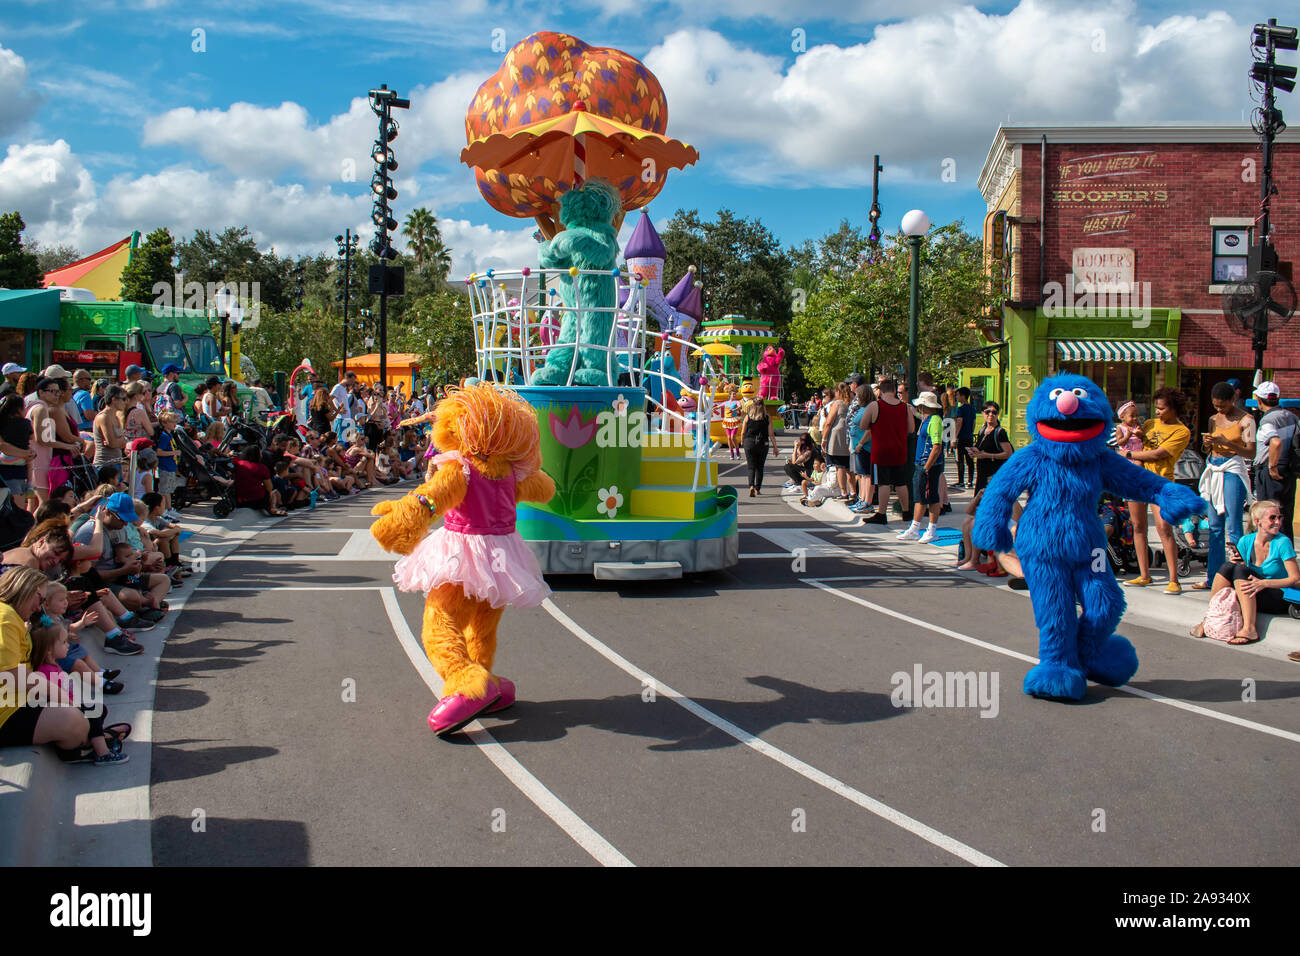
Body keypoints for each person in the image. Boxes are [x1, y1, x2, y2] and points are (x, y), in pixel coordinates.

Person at [0, 567, 96, 760]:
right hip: (6, 711)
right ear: (25, 590)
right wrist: (57, 693)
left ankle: (87, 741)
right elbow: (10, 673)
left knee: (88, 713)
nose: (39, 607)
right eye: (40, 599)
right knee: (76, 723)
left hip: (18, 700)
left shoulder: (11, 615)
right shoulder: (5, 618)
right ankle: (80, 746)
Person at [1191, 500, 1300, 644]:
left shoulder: (1282, 542)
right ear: (1258, 521)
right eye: (1272, 518)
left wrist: (1264, 583)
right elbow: (1239, 570)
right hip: (1253, 592)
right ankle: (1210, 618)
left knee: (1241, 570)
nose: (1278, 522)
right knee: (1229, 567)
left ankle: (1250, 629)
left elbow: (1295, 579)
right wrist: (1235, 561)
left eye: (1279, 517)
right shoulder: (1246, 541)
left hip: (1278, 595)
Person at [1121, 387, 1192, 593]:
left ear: (1173, 408)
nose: (1157, 412)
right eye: (1156, 408)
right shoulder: (1149, 424)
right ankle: (1144, 575)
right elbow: (1133, 438)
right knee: (1138, 526)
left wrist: (1125, 455)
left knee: (1164, 528)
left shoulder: (1181, 432)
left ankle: (1174, 580)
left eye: (1161, 408)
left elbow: (1158, 454)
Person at [1196, 381, 1254, 591]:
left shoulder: (1247, 421)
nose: (1220, 409)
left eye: (1224, 405)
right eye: (1216, 405)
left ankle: (1239, 577)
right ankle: (1214, 578)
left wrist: (1228, 443)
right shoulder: (1213, 419)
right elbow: (1207, 449)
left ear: (1233, 400)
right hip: (1214, 467)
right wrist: (1209, 444)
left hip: (1232, 469)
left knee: (1233, 526)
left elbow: (1251, 452)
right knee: (1214, 527)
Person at [959, 401, 1016, 571]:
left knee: (981, 517)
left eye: (994, 412)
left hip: (993, 479)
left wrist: (987, 455)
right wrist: (975, 452)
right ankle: (971, 556)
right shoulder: (983, 429)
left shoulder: (1000, 433)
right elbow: (981, 449)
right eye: (987, 412)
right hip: (982, 477)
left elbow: (1008, 453)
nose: (990, 415)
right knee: (973, 514)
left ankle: (975, 558)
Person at [860, 378, 913, 527]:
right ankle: (906, 512)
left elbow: (863, 425)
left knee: (883, 484)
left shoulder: (875, 405)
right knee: (901, 483)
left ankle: (882, 514)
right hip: (899, 450)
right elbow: (911, 429)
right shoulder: (905, 407)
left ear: (881, 391)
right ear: (895, 391)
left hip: (880, 451)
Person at [897, 391, 945, 543]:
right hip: (923, 464)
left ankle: (931, 529)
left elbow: (937, 446)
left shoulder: (935, 421)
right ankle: (915, 527)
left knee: (930, 498)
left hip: (928, 465)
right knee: (920, 497)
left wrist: (927, 466)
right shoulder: (928, 419)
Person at [1253, 381, 1297, 540]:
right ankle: (1287, 556)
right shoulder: (1291, 416)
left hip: (1271, 472)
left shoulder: (1268, 420)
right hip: (1289, 470)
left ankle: (1273, 557)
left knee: (1269, 516)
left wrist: (1272, 466)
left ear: (1259, 400)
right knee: (1284, 516)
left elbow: (1275, 442)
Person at [27, 377, 81, 506]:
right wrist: (67, 446)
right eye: (52, 391)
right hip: (39, 458)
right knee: (44, 502)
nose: (57, 395)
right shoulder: (40, 409)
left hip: (36, 457)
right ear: (41, 392)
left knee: (33, 503)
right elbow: (42, 439)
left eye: (58, 391)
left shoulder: (37, 407)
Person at [0, 394, 36, 511]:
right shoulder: (25, 423)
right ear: (19, 409)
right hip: (19, 464)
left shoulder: (3, 423)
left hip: (3, 460)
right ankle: (30, 484)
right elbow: (32, 437)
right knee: (18, 508)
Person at [741, 393, 779, 496]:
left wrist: (742, 441)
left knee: (751, 466)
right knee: (760, 467)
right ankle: (757, 489)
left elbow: (743, 432)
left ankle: (751, 486)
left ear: (752, 405)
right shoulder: (767, 417)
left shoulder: (748, 417)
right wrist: (775, 447)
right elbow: (771, 434)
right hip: (763, 443)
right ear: (763, 405)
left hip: (749, 442)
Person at [233, 445, 286, 516]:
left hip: (239, 500)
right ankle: (272, 508)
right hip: (258, 501)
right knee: (273, 492)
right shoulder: (262, 468)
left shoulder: (238, 464)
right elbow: (269, 487)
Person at [822, 383, 853, 502]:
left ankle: (844, 492)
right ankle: (853, 491)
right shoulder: (851, 403)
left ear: (838, 392)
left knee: (840, 466)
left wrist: (824, 439)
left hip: (838, 435)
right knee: (849, 467)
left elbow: (829, 422)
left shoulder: (837, 403)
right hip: (849, 435)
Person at [93, 385, 127, 469]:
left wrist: (119, 441)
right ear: (113, 399)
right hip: (104, 465)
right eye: (123, 399)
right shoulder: (103, 417)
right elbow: (112, 443)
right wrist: (120, 441)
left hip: (116, 462)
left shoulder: (115, 417)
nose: (125, 402)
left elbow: (122, 442)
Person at [784, 434, 823, 503]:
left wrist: (795, 448)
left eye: (801, 440)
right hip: (810, 470)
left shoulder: (809, 451)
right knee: (789, 465)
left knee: (788, 467)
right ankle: (798, 483)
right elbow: (799, 461)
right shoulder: (810, 448)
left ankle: (799, 484)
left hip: (811, 472)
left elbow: (794, 462)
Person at [952, 387, 977, 490]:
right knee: (970, 459)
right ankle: (970, 480)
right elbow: (974, 422)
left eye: (957, 395)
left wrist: (954, 437)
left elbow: (959, 422)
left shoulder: (960, 409)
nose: (956, 397)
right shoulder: (972, 408)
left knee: (960, 459)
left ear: (963, 396)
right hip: (969, 437)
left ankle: (961, 480)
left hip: (962, 437)